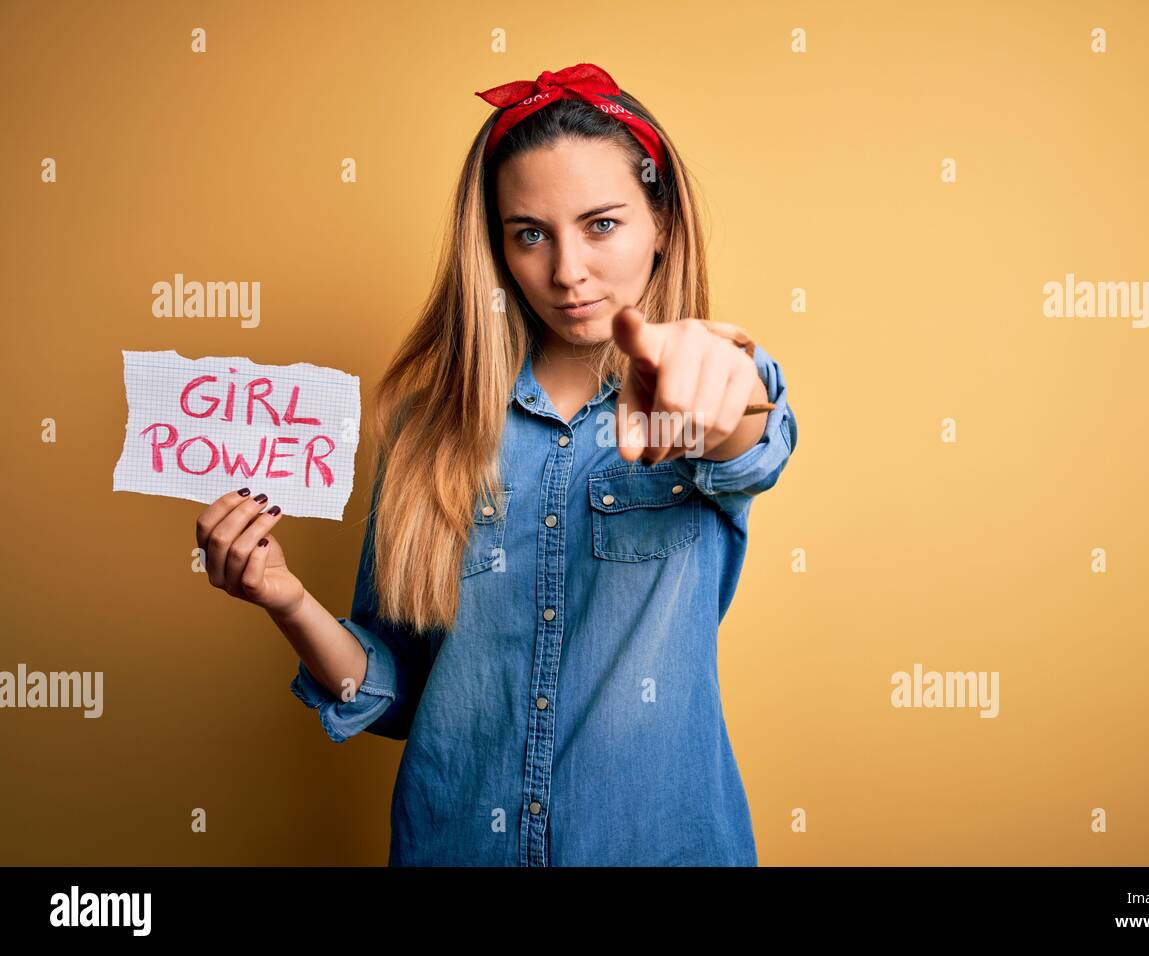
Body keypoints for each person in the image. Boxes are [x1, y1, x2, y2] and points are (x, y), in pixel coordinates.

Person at [194, 62, 798, 866]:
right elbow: (389, 695)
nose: (568, 271)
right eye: (530, 234)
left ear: (662, 223)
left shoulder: (703, 391)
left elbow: (753, 441)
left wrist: (719, 384)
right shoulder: (425, 427)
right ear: (497, 248)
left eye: (603, 224)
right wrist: (283, 598)